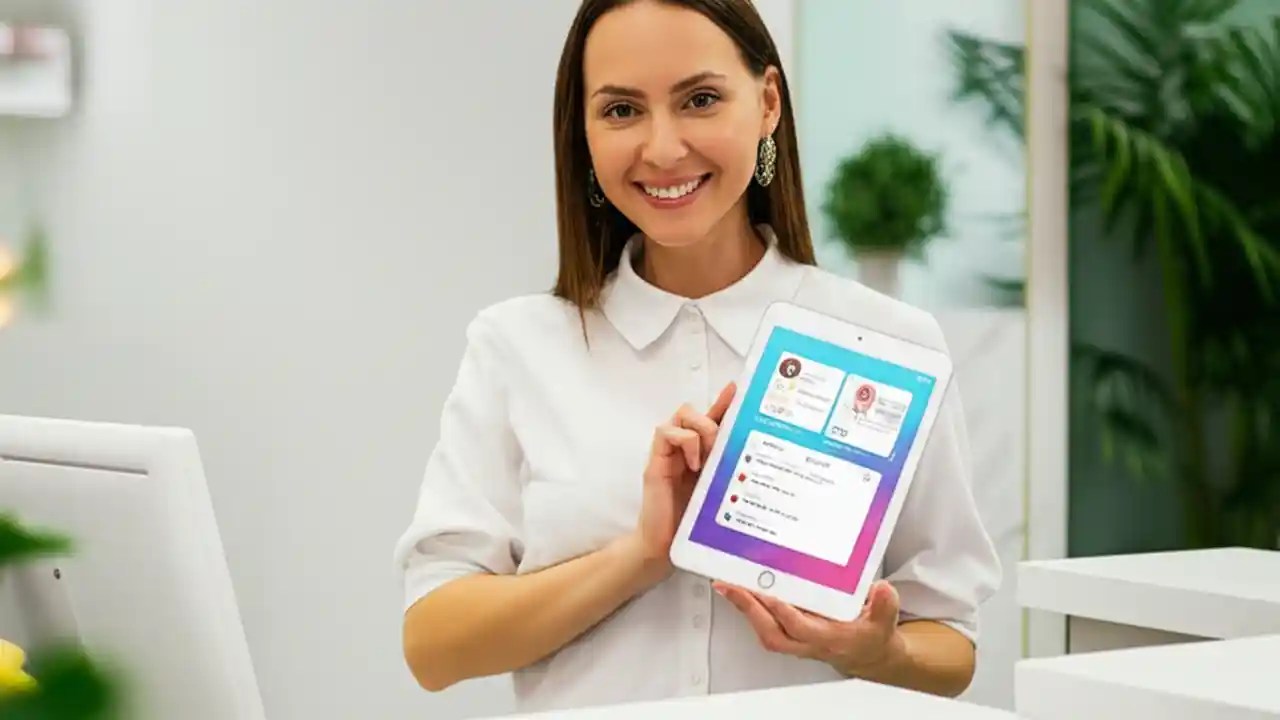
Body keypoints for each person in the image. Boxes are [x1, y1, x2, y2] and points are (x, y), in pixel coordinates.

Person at [393, 0, 1001, 713]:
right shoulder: (516, 346)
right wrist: (645, 554)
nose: (662, 149)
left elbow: (951, 644)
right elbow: (433, 646)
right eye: (621, 111)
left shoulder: (889, 342)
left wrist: (878, 651)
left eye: (701, 99)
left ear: (767, 102)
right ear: (584, 133)